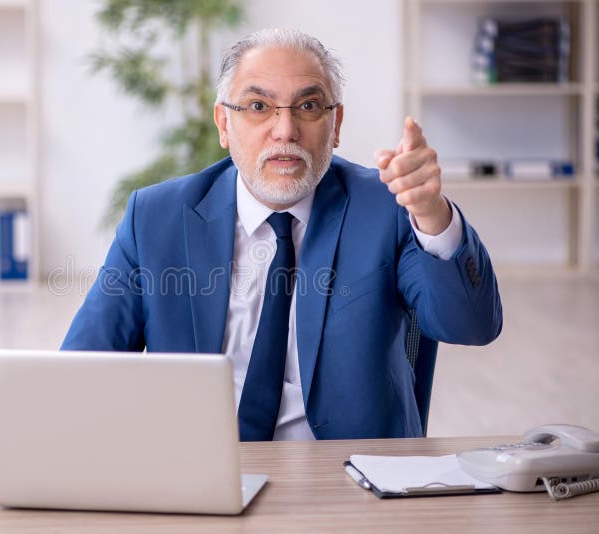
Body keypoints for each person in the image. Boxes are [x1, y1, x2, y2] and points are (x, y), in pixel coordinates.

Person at [61, 29, 502, 441]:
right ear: (223, 123)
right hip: (199, 475)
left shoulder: (387, 208)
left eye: (308, 106)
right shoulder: (156, 218)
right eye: (258, 107)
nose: (285, 130)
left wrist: (432, 214)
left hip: (350, 482)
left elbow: (472, 325)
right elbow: (81, 372)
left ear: (336, 124)